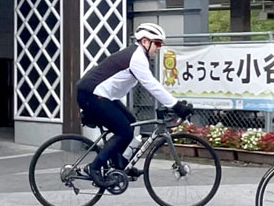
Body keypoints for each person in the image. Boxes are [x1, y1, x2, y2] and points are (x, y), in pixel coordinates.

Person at [76, 23, 194, 188]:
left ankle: (120, 165)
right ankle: (93, 168)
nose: (159, 48)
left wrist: (174, 104)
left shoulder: (138, 56)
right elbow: (151, 85)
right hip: (91, 94)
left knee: (130, 122)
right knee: (123, 130)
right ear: (145, 42)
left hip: (103, 95)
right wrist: (176, 105)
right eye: (158, 43)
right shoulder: (136, 57)